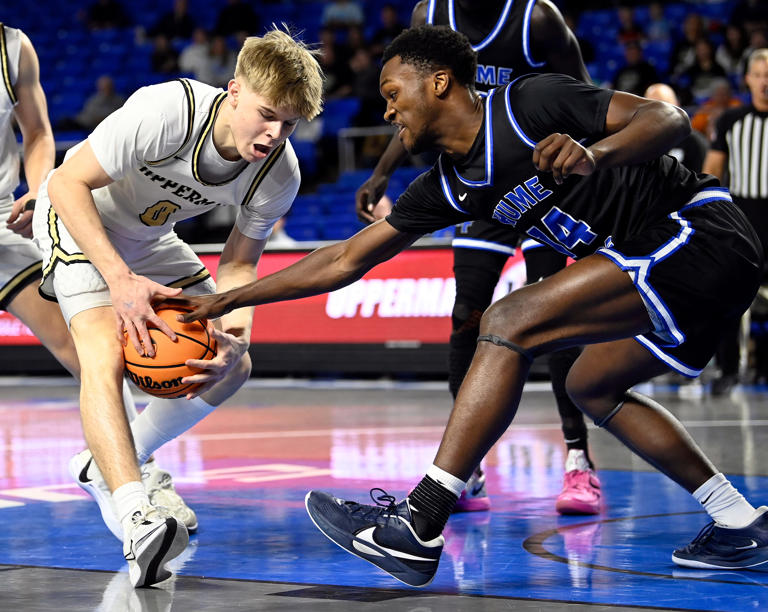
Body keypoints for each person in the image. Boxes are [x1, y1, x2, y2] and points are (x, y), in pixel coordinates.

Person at [170, 25, 768, 587]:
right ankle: (737, 519)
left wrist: (598, 154)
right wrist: (227, 296)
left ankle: (420, 523)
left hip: (699, 232)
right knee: (592, 385)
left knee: (507, 320)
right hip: (666, 271)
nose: (387, 108)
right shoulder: (447, 186)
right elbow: (344, 260)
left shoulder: (526, 103)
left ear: (438, 83)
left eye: (393, 91)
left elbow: (668, 118)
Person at [31, 27, 323, 588]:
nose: (274, 134)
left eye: (289, 123)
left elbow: (238, 265)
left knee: (235, 367)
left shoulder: (278, 171)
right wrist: (119, 281)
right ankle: (135, 514)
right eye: (266, 115)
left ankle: (108, 459)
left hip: (150, 239)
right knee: (103, 354)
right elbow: (66, 182)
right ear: (233, 91)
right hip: (78, 216)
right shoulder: (170, 109)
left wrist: (236, 333)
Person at [354, 0, 602, 517]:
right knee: (466, 318)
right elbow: (415, 103)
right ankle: (466, 471)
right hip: (477, 180)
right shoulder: (431, 13)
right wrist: (381, 172)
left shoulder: (537, 19)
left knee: (552, 320)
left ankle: (579, 460)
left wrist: (581, 167)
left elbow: (587, 101)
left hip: (538, 181)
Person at [0, 24, 195, 540]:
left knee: (90, 348)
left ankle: (130, 475)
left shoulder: (14, 46)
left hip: (3, 223)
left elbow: (38, 132)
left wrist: (41, 190)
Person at [702, 48, 768, 395]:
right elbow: (711, 173)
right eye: (759, 74)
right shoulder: (730, 121)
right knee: (729, 295)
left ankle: (762, 368)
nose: (765, 81)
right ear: (748, 80)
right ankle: (727, 370)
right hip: (743, 220)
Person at [644, 83, 709, 173]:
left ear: (677, 106)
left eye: (663, 104)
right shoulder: (639, 145)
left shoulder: (695, 142)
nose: (658, 112)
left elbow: (704, 179)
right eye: (651, 106)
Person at [56, 75, 126, 132]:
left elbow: (113, 115)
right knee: (64, 121)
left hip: (93, 125)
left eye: (105, 86)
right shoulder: (94, 99)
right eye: (101, 86)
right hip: (83, 121)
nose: (103, 88)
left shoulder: (119, 100)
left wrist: (96, 117)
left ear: (111, 86)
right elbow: (87, 112)